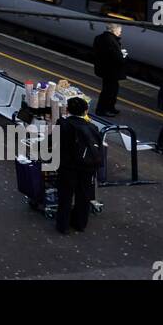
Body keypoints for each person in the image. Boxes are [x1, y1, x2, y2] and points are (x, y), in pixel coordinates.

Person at [55, 96, 101, 234]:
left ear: (67, 110)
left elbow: (52, 142)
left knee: (66, 195)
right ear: (86, 111)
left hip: (68, 166)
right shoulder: (92, 127)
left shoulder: (63, 124)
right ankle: (80, 223)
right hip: (88, 166)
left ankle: (63, 225)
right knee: (84, 195)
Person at [92, 23, 126, 117]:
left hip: (104, 69)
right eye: (120, 31)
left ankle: (110, 107)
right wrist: (123, 56)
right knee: (109, 91)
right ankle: (102, 110)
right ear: (114, 30)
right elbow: (116, 57)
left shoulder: (99, 38)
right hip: (111, 70)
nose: (120, 33)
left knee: (112, 89)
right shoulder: (111, 40)